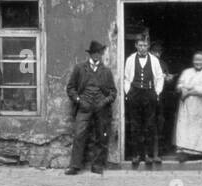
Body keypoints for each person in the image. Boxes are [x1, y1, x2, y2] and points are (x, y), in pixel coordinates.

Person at [65, 40, 117, 176]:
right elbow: (70, 88)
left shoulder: (106, 72)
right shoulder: (80, 68)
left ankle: (97, 165)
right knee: (79, 134)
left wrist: (104, 101)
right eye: (94, 53)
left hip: (101, 109)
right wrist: (79, 100)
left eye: (99, 53)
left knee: (101, 136)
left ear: (101, 54)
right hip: (84, 107)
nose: (96, 56)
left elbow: (113, 92)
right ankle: (75, 166)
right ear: (90, 54)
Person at [124, 35, 164, 168]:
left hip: (149, 94)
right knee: (135, 125)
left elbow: (159, 77)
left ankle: (148, 155)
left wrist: (157, 92)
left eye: (145, 45)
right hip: (134, 93)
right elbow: (126, 78)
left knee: (149, 125)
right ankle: (136, 155)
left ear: (148, 46)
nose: (142, 48)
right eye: (140, 45)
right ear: (136, 45)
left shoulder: (153, 60)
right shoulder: (130, 60)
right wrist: (127, 92)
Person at [175, 52, 202, 161]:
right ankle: (184, 152)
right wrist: (181, 89)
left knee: (198, 127)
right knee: (184, 127)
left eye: (200, 60)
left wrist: (187, 92)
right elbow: (179, 85)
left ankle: (200, 152)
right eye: (196, 60)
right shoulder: (187, 72)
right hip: (185, 106)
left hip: (200, 106)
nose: (197, 62)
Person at [149, 39, 177, 162]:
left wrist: (169, 78)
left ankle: (158, 152)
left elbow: (167, 80)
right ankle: (148, 154)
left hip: (160, 98)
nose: (157, 54)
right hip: (148, 97)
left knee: (160, 123)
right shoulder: (146, 63)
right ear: (150, 51)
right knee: (148, 124)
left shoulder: (163, 64)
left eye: (159, 51)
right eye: (155, 51)